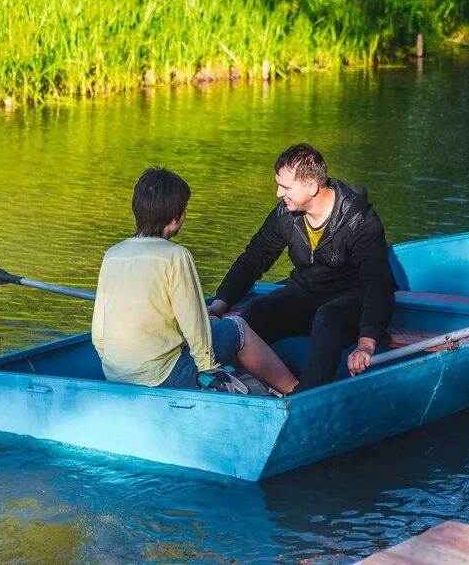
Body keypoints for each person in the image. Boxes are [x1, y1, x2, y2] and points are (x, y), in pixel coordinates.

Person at [208, 144, 398, 392]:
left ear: (312, 187)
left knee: (327, 317)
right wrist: (219, 305)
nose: (278, 193)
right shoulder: (286, 214)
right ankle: (236, 380)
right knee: (257, 312)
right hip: (309, 294)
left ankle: (305, 395)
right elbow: (254, 258)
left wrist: (366, 344)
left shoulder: (359, 220)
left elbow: (378, 285)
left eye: (285, 187)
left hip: (353, 302)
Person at [91, 167, 298, 395]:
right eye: (184, 210)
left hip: (114, 373)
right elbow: (193, 322)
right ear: (174, 217)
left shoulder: (112, 254)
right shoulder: (176, 256)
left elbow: (99, 333)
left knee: (212, 326)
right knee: (238, 327)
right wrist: (207, 368)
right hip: (165, 376)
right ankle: (297, 392)